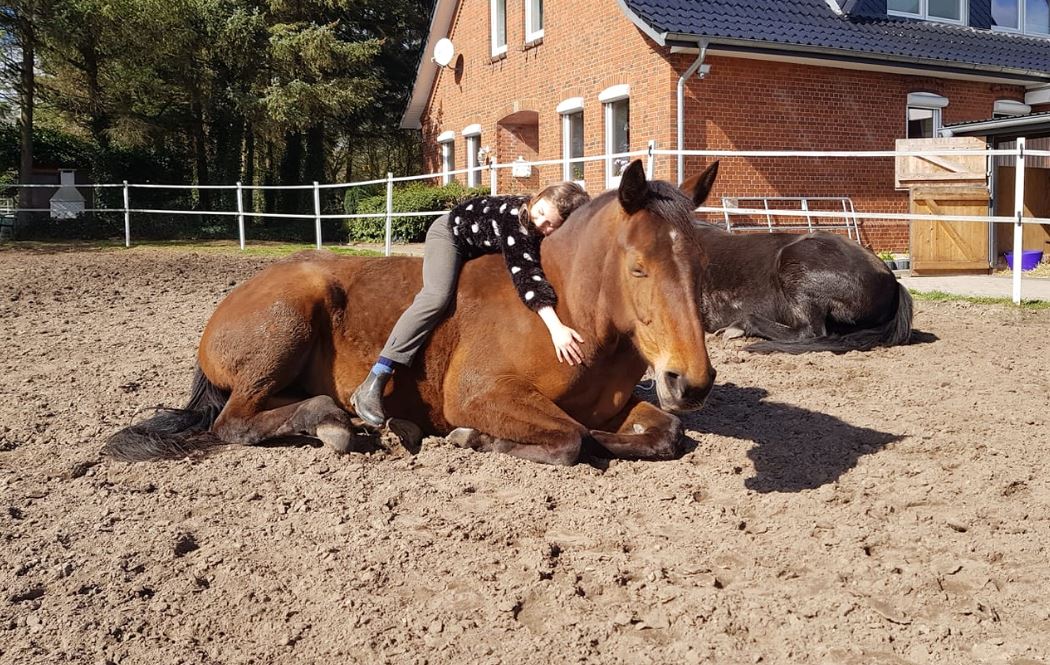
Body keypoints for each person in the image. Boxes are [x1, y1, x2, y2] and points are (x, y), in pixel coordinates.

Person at [350, 181, 591, 427]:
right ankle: (376, 377)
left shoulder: (534, 226)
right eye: (540, 213)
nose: (540, 223)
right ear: (537, 198)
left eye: (550, 224)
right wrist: (556, 327)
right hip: (449, 236)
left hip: (479, 247)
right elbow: (526, 276)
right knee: (436, 297)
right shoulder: (517, 220)